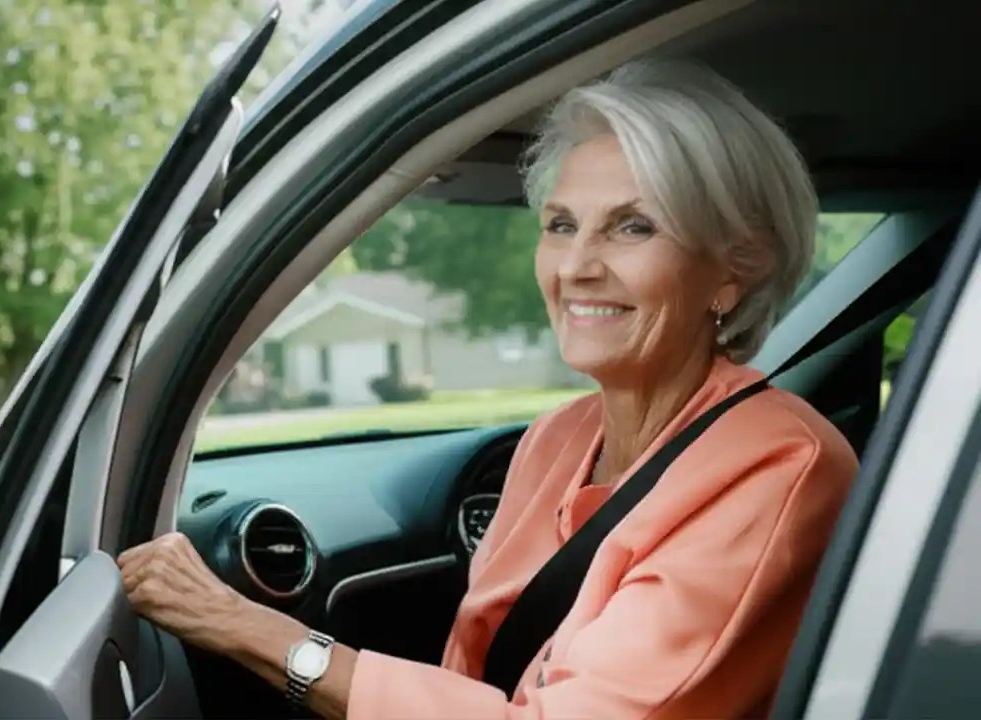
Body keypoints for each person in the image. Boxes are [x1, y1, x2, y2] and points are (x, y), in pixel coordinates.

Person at [116, 58, 858, 719]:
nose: (577, 266)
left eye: (632, 228)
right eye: (561, 224)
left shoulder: (780, 468)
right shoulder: (555, 441)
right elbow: (471, 673)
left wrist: (253, 631)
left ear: (735, 269)